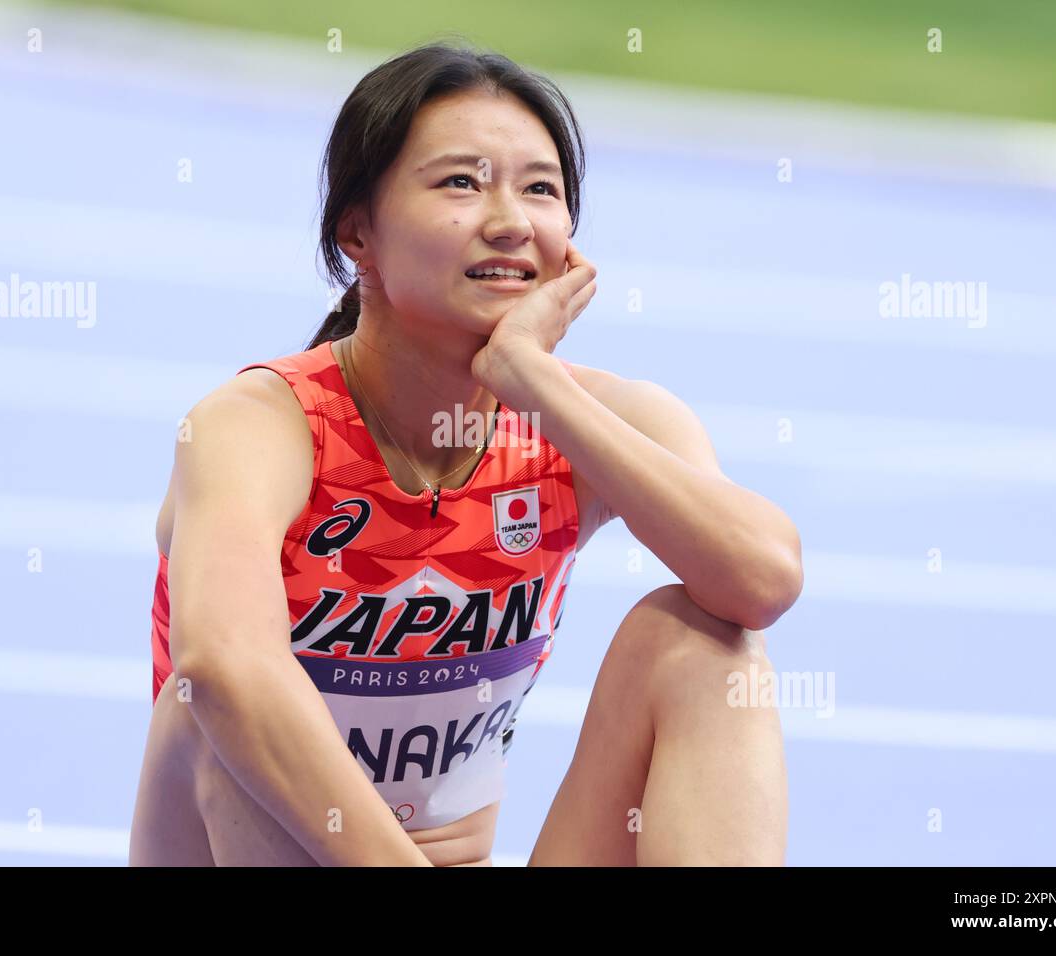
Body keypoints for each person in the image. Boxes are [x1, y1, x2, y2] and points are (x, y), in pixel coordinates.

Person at [129, 39, 803, 867]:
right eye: (461, 181)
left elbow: (762, 580)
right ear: (357, 234)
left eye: (540, 190)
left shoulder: (587, 417)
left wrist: (535, 384)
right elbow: (223, 665)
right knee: (206, 700)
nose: (511, 220)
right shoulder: (257, 424)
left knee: (703, 643)